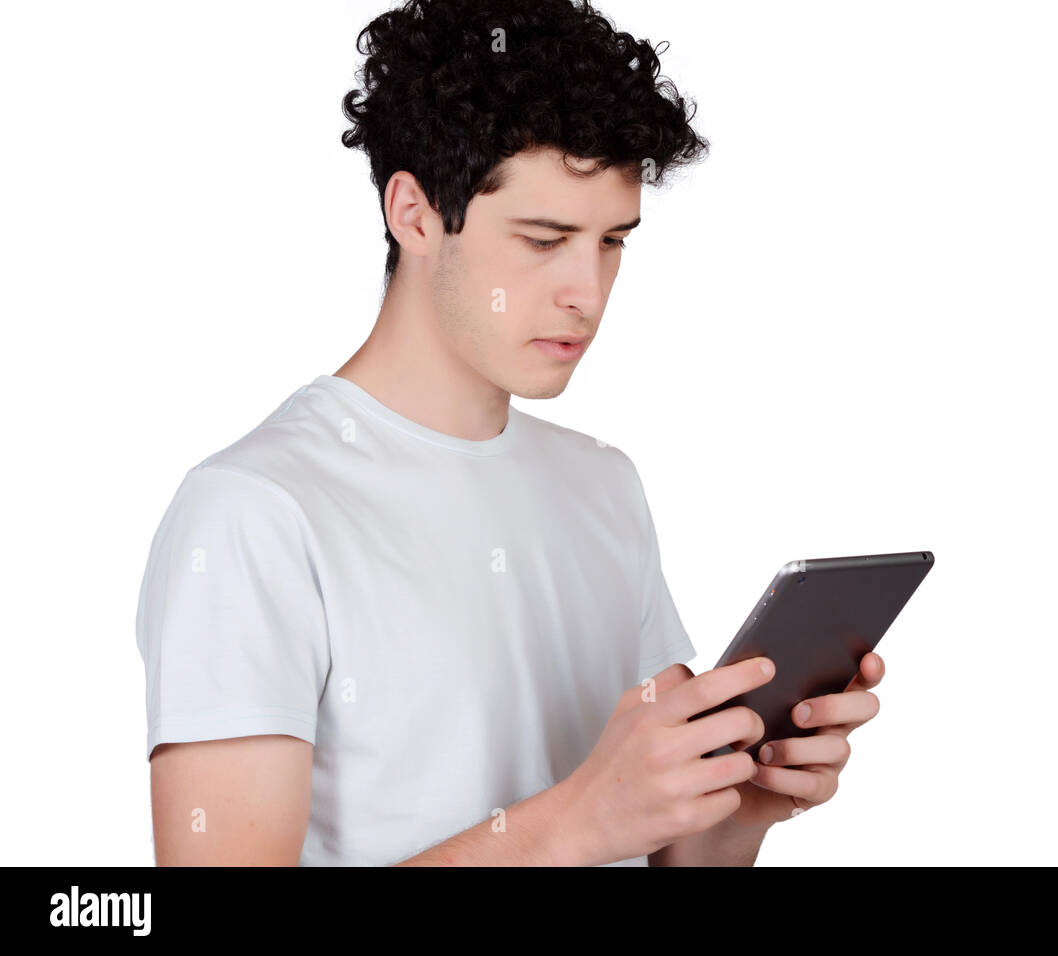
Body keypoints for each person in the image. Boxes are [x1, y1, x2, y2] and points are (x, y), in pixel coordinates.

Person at [136, 0, 885, 867]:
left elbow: (664, 854)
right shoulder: (254, 513)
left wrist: (734, 809)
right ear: (413, 214)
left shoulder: (603, 485)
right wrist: (578, 822)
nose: (588, 292)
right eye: (544, 239)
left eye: (612, 242)